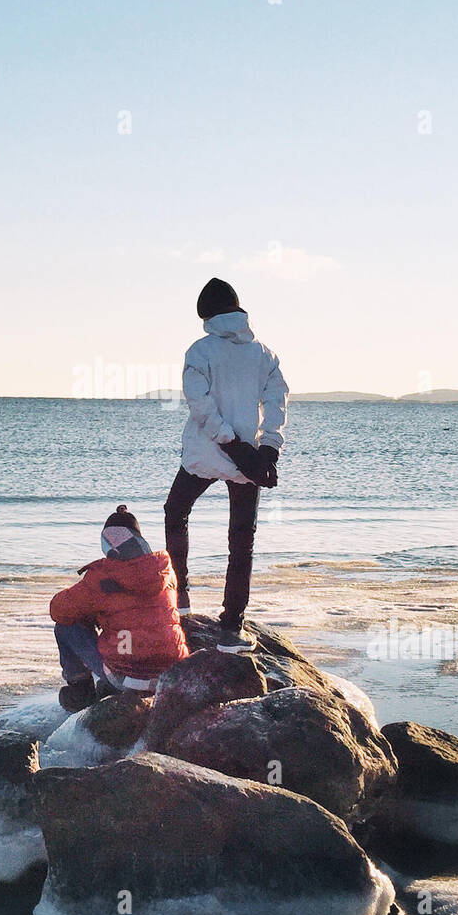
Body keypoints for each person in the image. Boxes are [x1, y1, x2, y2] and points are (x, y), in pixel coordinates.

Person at [164, 277, 289, 652]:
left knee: (176, 512)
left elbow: (199, 404)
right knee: (242, 541)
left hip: (208, 452)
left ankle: (181, 599)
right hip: (246, 458)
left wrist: (233, 444)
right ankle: (233, 625)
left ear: (206, 315)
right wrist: (267, 448)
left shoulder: (200, 351)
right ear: (237, 311)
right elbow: (278, 401)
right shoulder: (264, 354)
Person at [49, 505, 189, 712]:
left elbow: (58, 610)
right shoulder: (165, 569)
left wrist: (92, 609)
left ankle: (81, 693)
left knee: (66, 627)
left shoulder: (103, 576)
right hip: (171, 674)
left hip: (128, 676)